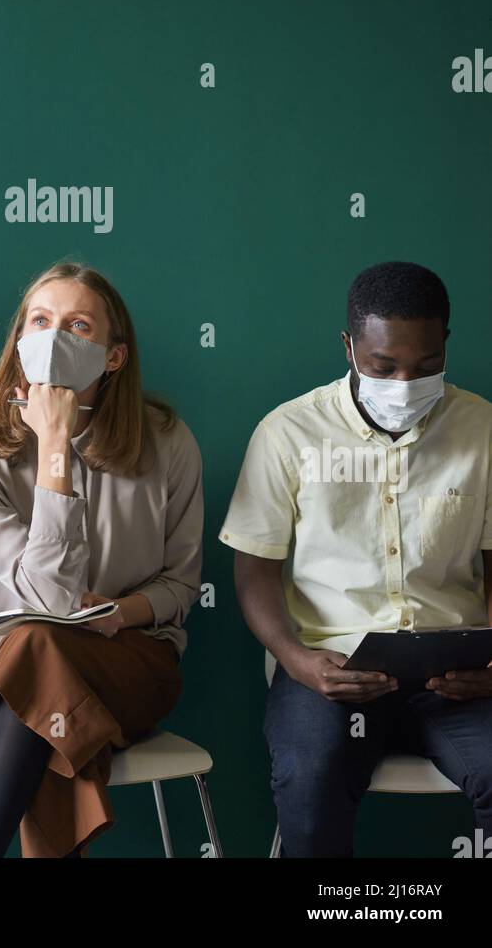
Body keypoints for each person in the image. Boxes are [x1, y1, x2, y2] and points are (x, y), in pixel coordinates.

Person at [220, 260, 492, 857]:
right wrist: (295, 660)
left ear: (447, 342)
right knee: (310, 781)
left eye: (425, 367)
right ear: (348, 346)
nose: (404, 383)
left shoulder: (483, 429)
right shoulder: (287, 433)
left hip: (459, 679)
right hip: (328, 672)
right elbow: (254, 569)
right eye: (383, 366)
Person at [0, 260, 203, 858]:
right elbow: (49, 604)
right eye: (41, 320)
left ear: (114, 356)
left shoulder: (168, 441)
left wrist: (120, 612)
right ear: (20, 342)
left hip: (126, 658)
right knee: (37, 652)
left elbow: (182, 586)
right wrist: (52, 446)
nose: (55, 337)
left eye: (79, 326)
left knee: (39, 668)